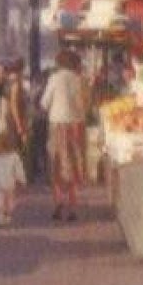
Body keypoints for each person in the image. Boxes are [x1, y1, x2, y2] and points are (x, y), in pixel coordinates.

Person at [39, 50, 87, 221]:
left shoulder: (54, 79)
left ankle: (58, 203)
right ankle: (72, 207)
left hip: (56, 124)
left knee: (56, 163)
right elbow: (82, 104)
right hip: (75, 124)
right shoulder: (78, 80)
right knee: (73, 164)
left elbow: (44, 103)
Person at [0, 126, 26, 226]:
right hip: (10, 182)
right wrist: (22, 179)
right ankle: (8, 214)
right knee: (9, 199)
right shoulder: (14, 156)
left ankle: (0, 214)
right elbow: (18, 169)